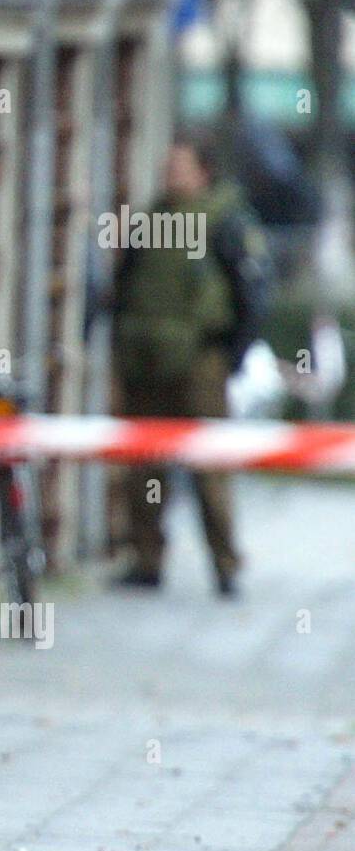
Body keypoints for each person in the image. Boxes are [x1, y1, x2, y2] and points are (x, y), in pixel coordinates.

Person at [111, 131, 270, 597]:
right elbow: (126, 285)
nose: (171, 175)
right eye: (167, 166)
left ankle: (224, 564)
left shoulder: (227, 221)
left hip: (201, 360)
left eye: (180, 166)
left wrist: (233, 355)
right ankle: (146, 557)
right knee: (144, 464)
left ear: (203, 170)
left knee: (210, 465)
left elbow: (251, 293)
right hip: (146, 361)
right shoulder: (151, 220)